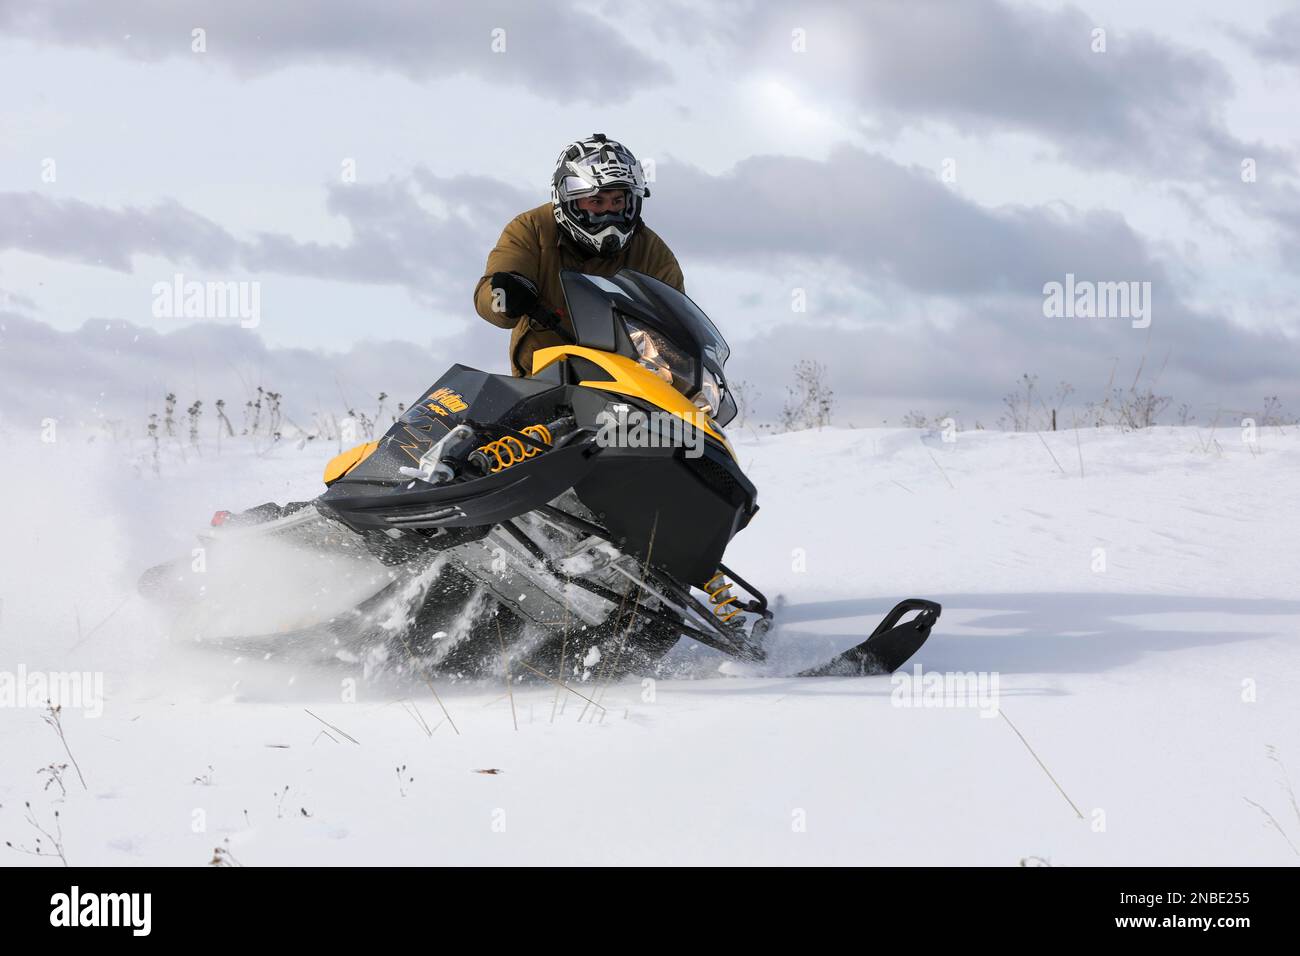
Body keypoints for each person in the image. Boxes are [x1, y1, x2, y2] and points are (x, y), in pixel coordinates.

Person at [473, 134, 684, 376]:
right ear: (569, 201)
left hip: (632, 383)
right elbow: (489, 293)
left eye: (617, 201)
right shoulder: (532, 228)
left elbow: (677, 327)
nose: (608, 212)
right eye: (596, 201)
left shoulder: (653, 252)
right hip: (545, 380)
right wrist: (504, 298)